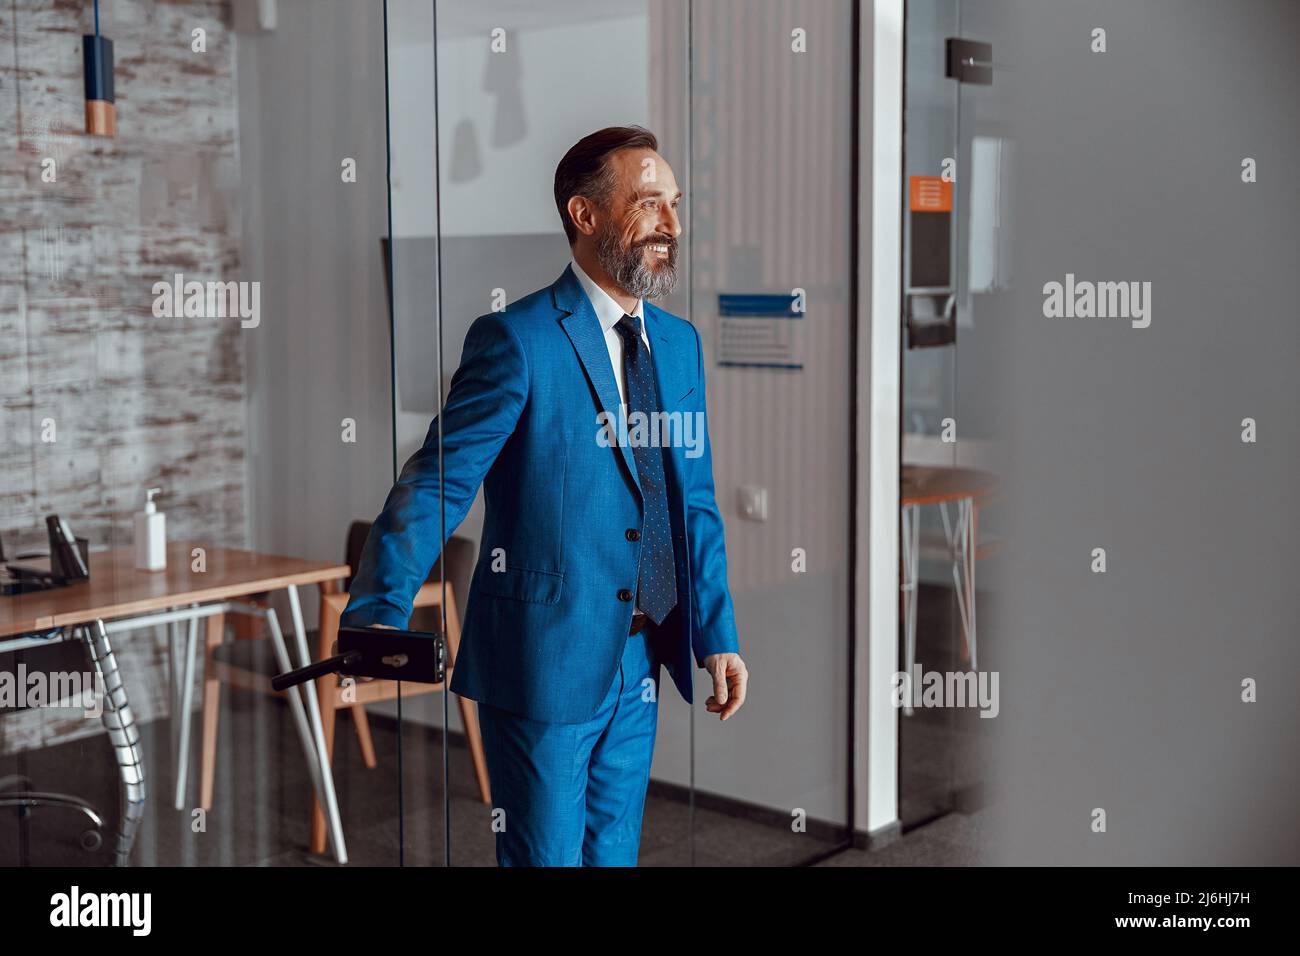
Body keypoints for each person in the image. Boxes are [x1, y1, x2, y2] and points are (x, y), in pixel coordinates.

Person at [340, 125, 748, 866]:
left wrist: (716, 632)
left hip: (642, 661)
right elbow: (438, 483)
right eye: (650, 202)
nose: (672, 225)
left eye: (676, 204)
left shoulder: (680, 344)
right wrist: (376, 618)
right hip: (542, 663)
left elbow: (693, 503)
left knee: (612, 856)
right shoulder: (517, 339)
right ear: (585, 216)